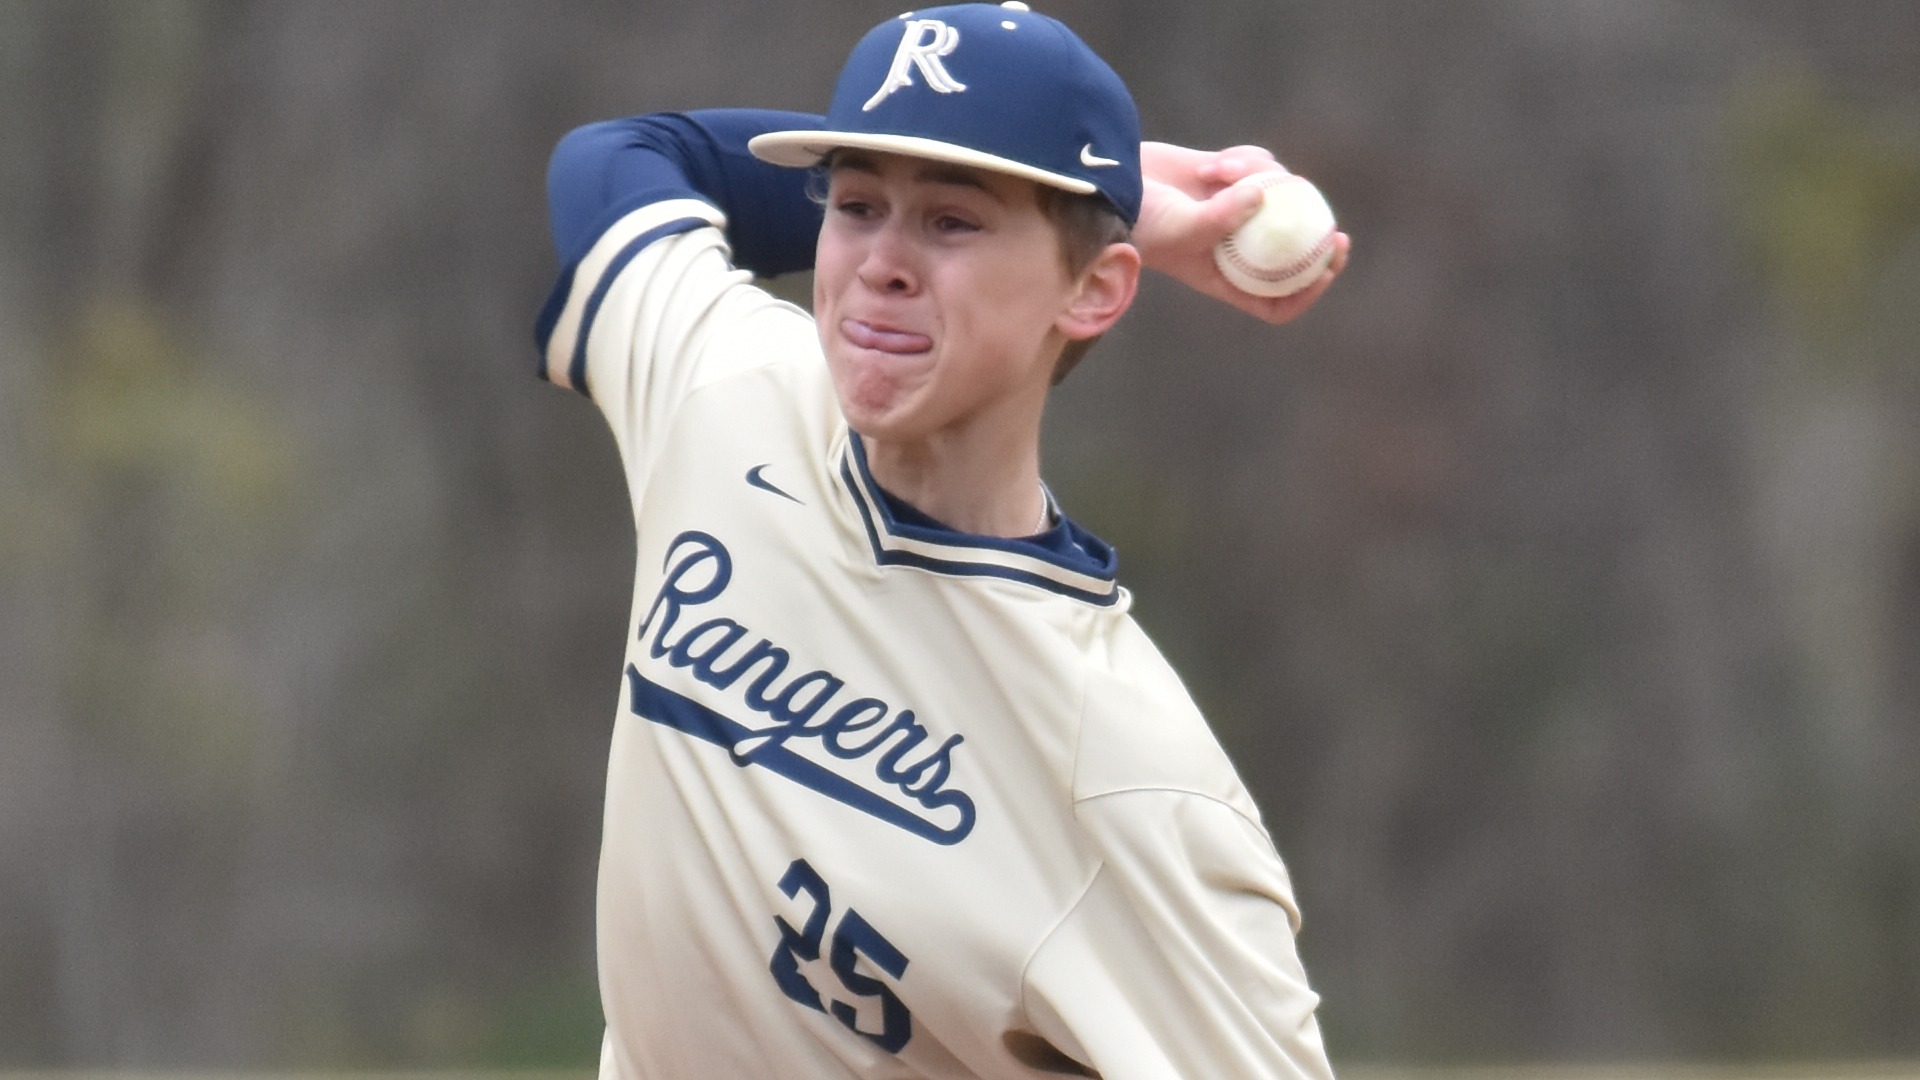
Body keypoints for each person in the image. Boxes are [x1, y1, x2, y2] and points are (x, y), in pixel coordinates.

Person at [534, 4, 1350, 1077]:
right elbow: (624, 157)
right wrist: (1122, 207)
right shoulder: (728, 391)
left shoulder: (1130, 782)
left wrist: (1084, 215)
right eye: (857, 205)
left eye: (954, 222)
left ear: (1098, 291)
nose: (881, 262)